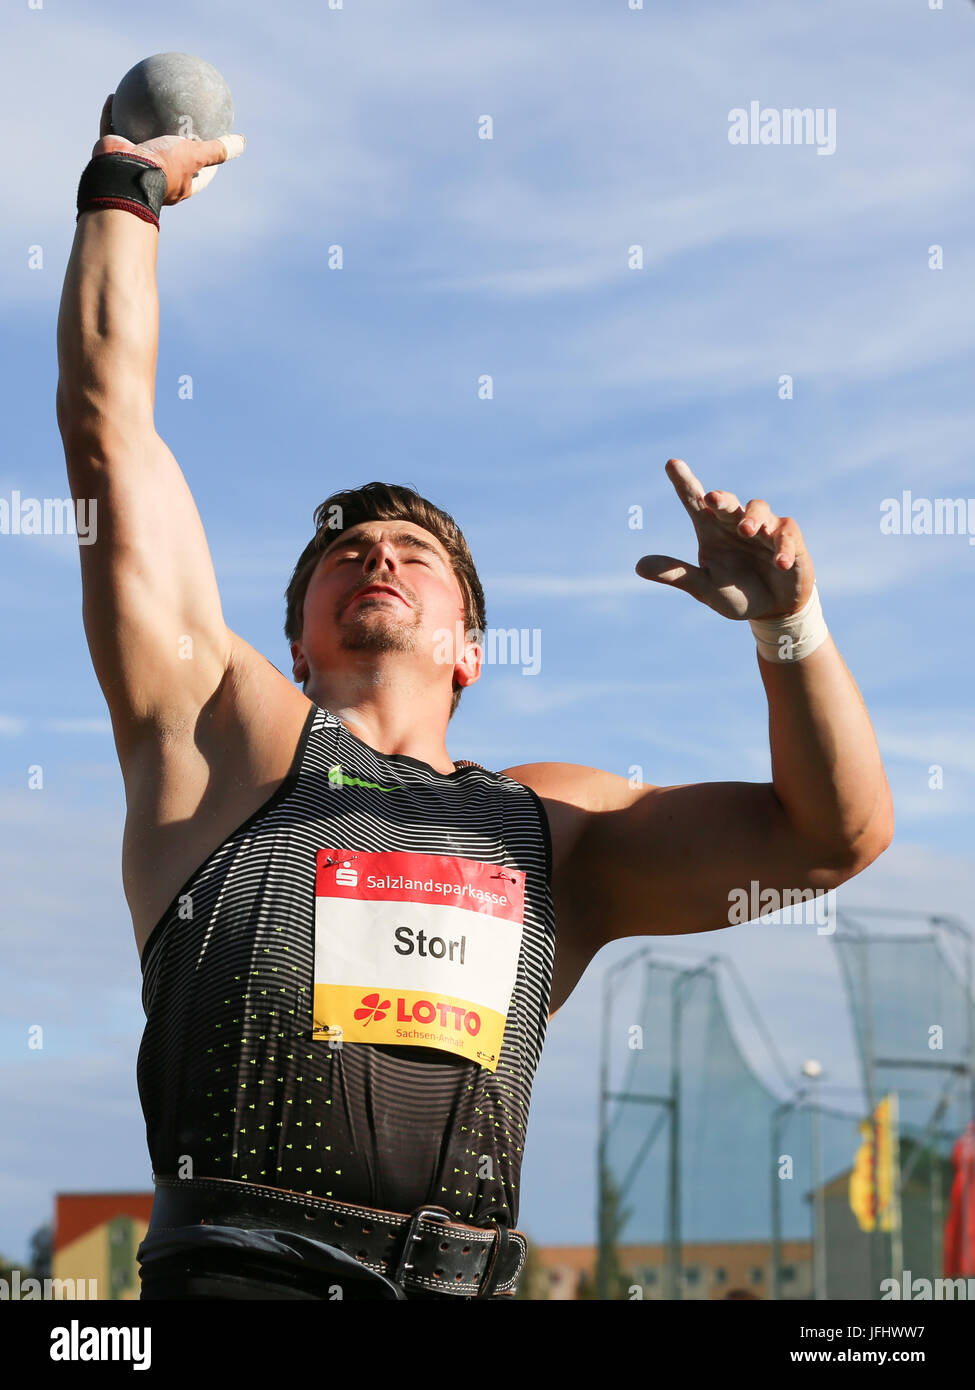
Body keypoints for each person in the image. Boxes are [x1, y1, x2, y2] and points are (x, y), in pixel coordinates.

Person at [55, 101, 894, 1301]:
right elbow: (108, 431)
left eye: (415, 551)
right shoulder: (220, 737)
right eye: (343, 556)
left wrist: (789, 626)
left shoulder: (554, 828)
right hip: (239, 1276)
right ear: (295, 640)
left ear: (471, 647)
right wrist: (123, 189)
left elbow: (834, 837)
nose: (377, 557)